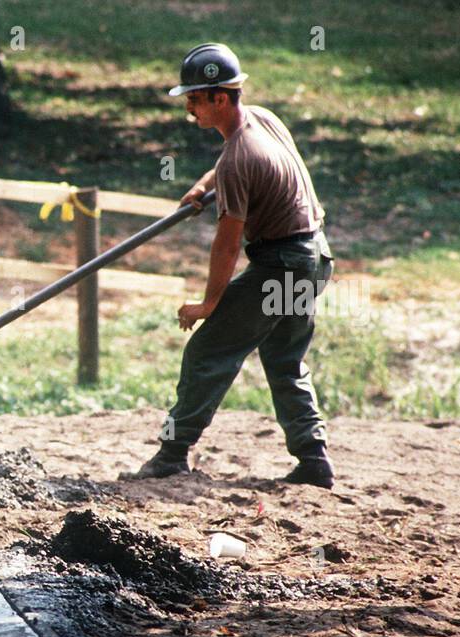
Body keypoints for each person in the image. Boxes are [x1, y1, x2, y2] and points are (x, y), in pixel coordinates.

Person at [135, 43, 336, 488]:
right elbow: (227, 165)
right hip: (314, 258)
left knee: (209, 351)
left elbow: (226, 247)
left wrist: (208, 303)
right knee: (285, 359)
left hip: (281, 264)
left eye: (194, 99)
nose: (188, 108)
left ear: (219, 98)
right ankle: (314, 460)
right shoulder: (262, 118)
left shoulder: (238, 161)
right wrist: (201, 186)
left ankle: (171, 453)